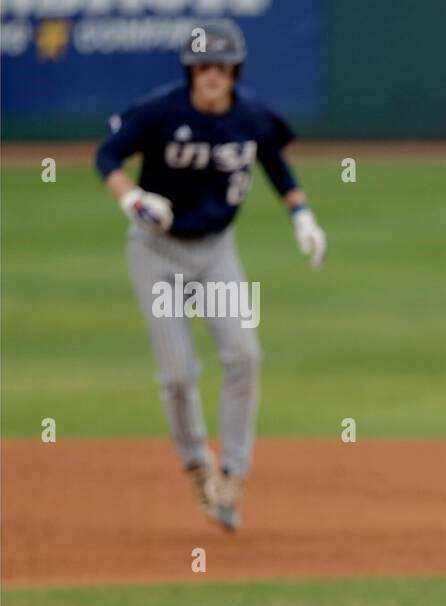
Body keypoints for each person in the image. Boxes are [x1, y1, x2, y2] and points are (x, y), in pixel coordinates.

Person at [95, 18, 326, 531]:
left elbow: (274, 159)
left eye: (221, 66)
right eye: (204, 67)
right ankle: (198, 466)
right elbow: (106, 154)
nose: (212, 75)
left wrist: (301, 214)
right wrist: (131, 196)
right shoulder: (160, 112)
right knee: (178, 375)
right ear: (191, 71)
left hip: (215, 251)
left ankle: (233, 474)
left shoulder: (252, 115)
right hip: (158, 254)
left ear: (234, 70)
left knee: (244, 355)